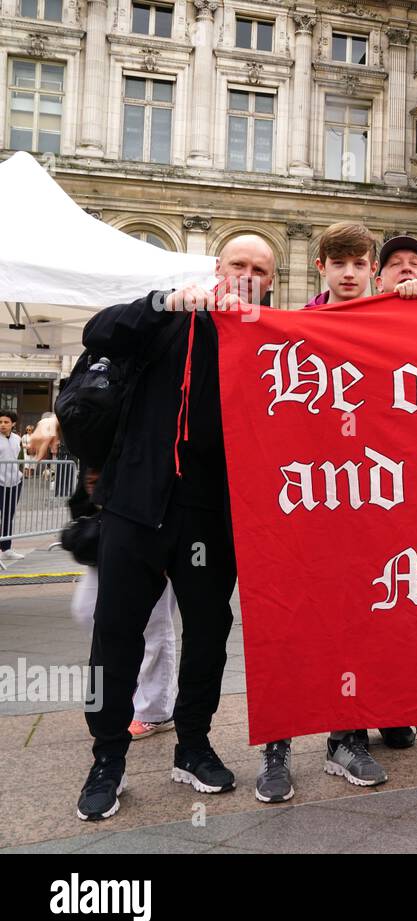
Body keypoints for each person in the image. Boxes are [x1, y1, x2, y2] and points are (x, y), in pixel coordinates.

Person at [75, 235, 276, 821]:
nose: (245, 275)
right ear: (217, 269)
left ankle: (193, 743)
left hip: (207, 515)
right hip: (134, 504)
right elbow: (99, 331)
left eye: (258, 269)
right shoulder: (165, 316)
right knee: (113, 636)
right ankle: (106, 757)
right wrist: (163, 302)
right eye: (237, 264)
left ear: (269, 281)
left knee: (209, 633)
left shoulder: (266, 336)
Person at [255, 228, 417, 804]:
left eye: (360, 264)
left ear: (372, 270)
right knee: (286, 618)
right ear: (321, 267)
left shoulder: (394, 317)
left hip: (374, 496)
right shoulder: (293, 327)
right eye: (340, 264)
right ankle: (277, 744)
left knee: (363, 615)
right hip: (306, 498)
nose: (350, 273)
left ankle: (346, 735)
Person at [67, 465, 179, 739]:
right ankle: (127, 681)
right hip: (115, 506)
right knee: (88, 608)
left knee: (155, 620)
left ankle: (156, 710)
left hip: (155, 508)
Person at [0, 411, 23, 560]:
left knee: (8, 516)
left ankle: (7, 549)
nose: (2, 425)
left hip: (15, 482)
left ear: (13, 424)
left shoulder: (17, 438)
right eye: (0, 422)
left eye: (6, 422)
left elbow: (19, 458)